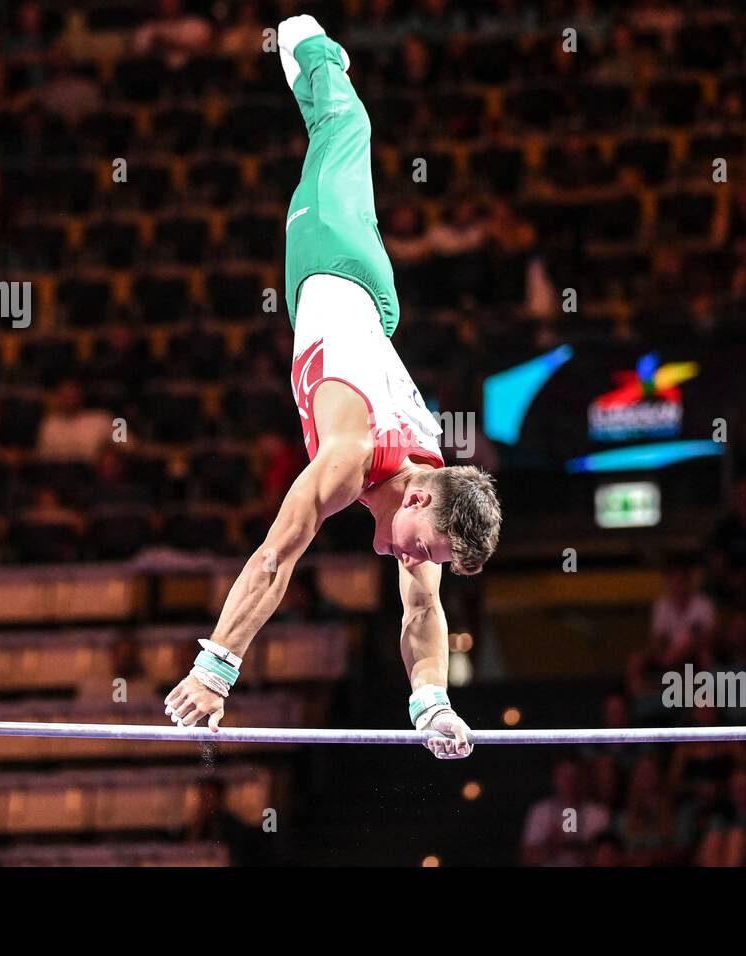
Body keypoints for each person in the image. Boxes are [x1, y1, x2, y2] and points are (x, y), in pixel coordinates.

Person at [165, 16, 502, 760]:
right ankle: (313, 47)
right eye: (430, 548)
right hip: (330, 253)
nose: (415, 560)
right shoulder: (350, 457)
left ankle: (321, 67)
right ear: (418, 495)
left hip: (371, 309)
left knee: (348, 133)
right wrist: (216, 668)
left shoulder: (425, 502)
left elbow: (421, 616)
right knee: (345, 124)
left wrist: (435, 707)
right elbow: (274, 557)